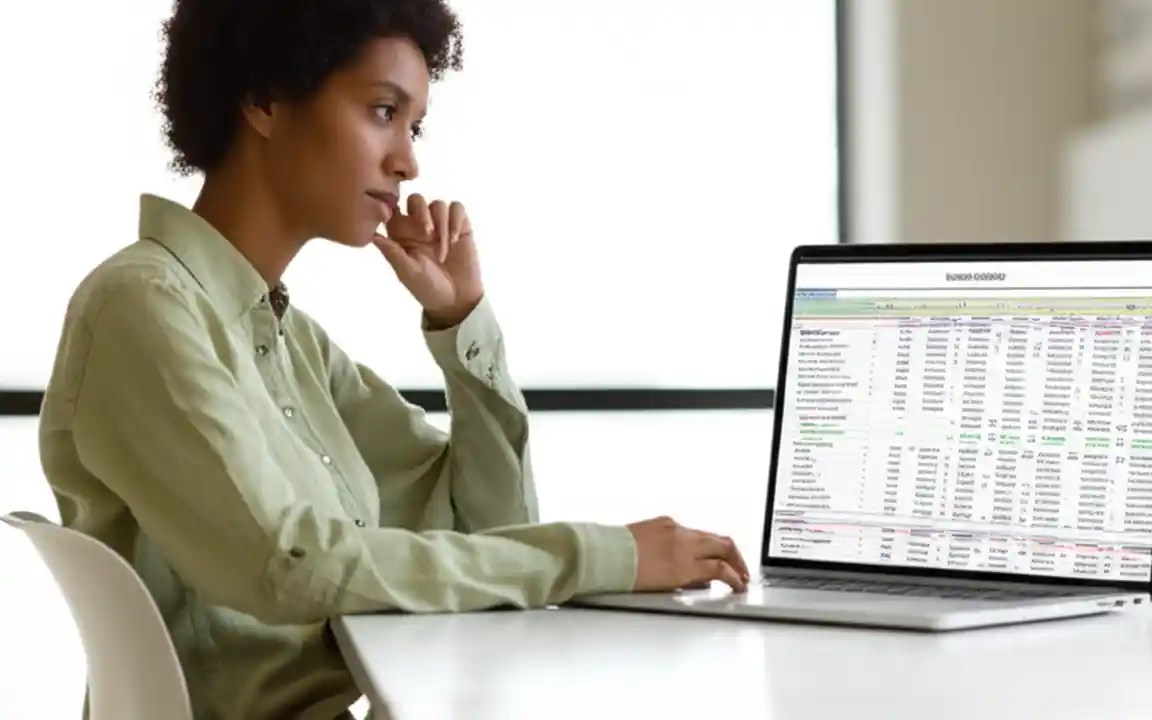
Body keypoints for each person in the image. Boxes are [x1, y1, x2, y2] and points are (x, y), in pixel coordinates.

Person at [36, 1, 749, 718]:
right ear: (264, 98)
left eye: (413, 126)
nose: (408, 160)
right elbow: (290, 566)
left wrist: (460, 320)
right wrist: (604, 557)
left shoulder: (288, 340)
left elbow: (488, 527)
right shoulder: (143, 310)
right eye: (383, 111)